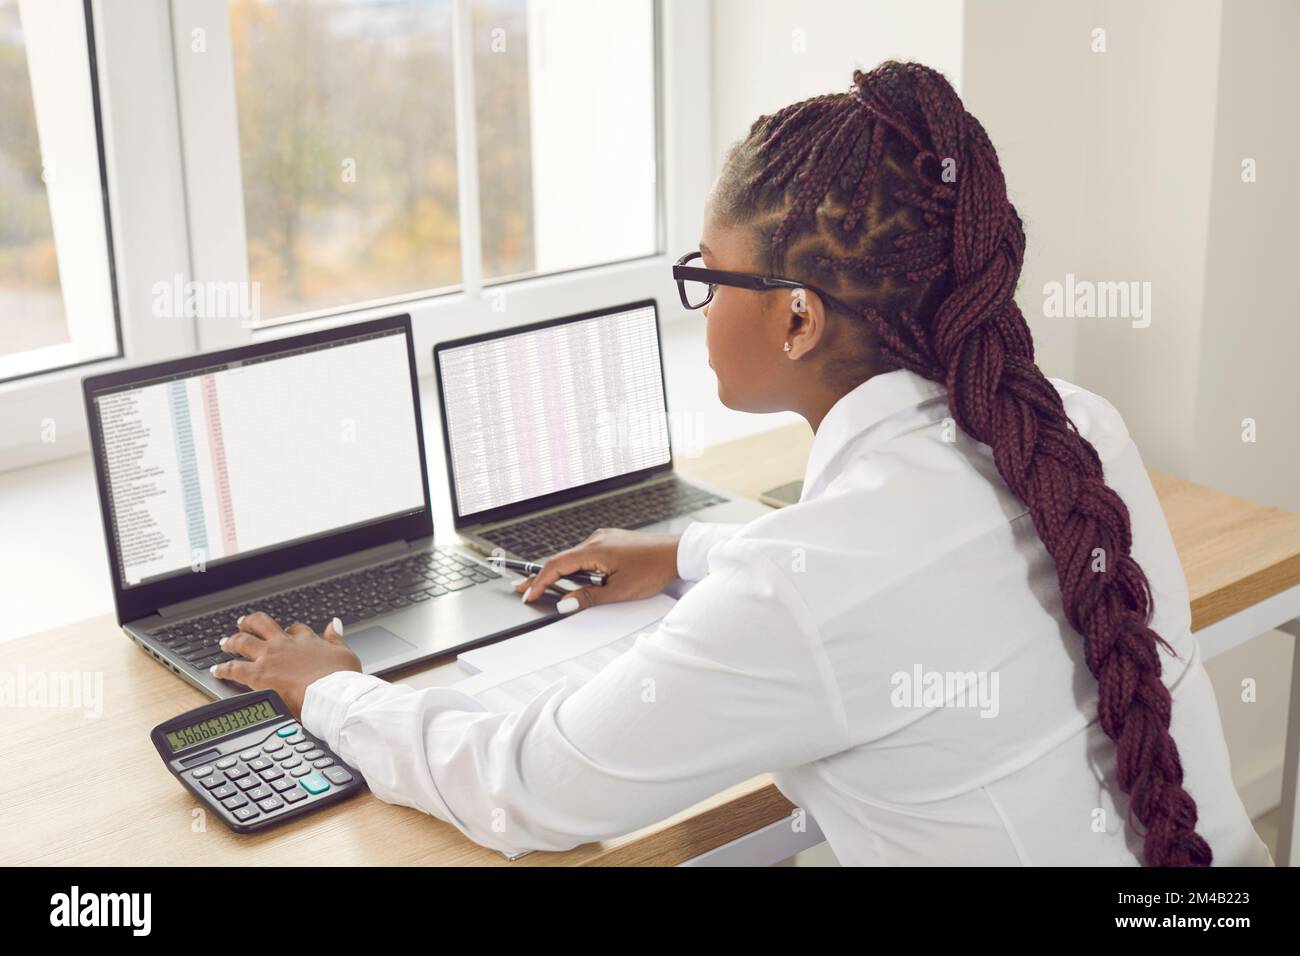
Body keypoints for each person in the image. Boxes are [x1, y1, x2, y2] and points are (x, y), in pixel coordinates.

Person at [213, 61, 1271, 866]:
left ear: (798, 316)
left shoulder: (814, 588)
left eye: (706, 275)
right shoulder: (1070, 429)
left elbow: (527, 786)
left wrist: (336, 691)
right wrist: (686, 545)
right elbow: (900, 564)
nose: (700, 302)